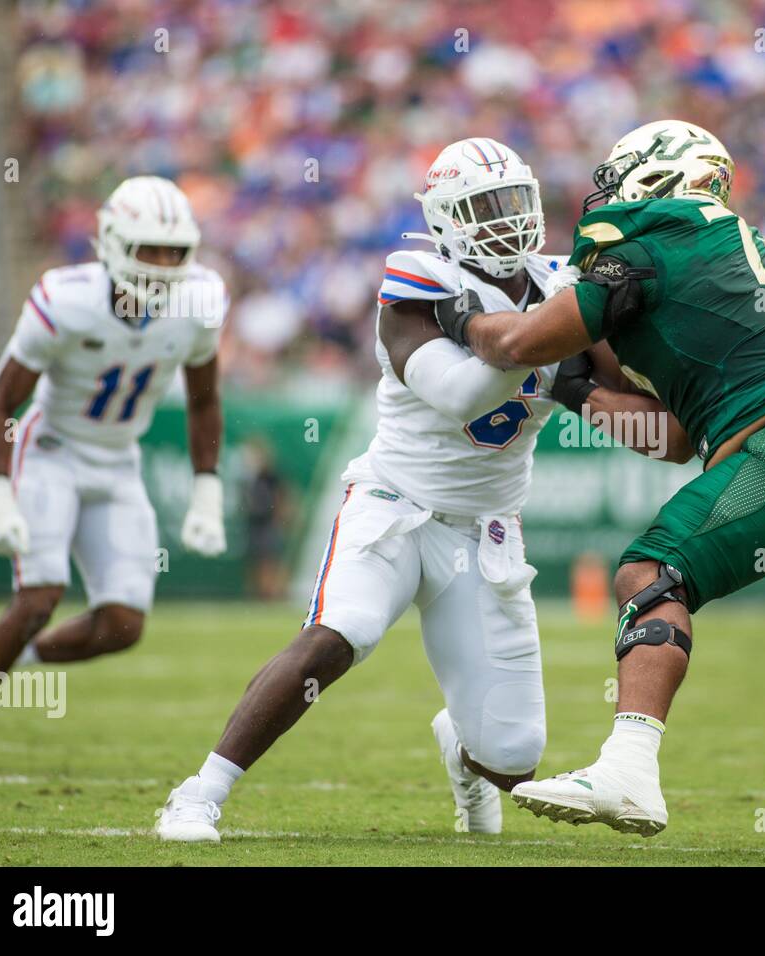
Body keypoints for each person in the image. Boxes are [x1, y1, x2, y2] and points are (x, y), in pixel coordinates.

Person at [432, 120, 765, 855]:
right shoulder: (713, 245)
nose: (604, 192)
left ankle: (629, 767)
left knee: (651, 571)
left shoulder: (649, 237)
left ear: (654, 176)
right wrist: (579, 394)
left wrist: (464, 318)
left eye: (617, 176)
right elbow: (674, 440)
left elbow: (516, 343)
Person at [156, 138, 566, 842]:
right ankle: (200, 791)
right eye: (485, 208)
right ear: (446, 220)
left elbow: (611, 392)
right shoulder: (418, 279)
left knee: (513, 757)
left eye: (514, 203)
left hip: (486, 529)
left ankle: (463, 751)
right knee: (342, 633)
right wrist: (559, 326)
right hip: (394, 506)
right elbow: (463, 393)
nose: (507, 221)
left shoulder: (559, 287)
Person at [0, 176, 228, 775]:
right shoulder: (66, 299)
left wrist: (206, 487)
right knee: (40, 596)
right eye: (147, 251)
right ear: (109, 244)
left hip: (118, 459)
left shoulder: (200, 302)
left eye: (174, 253)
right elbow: (1, 403)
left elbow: (205, 399)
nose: (162, 268)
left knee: (122, 625)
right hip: (50, 449)